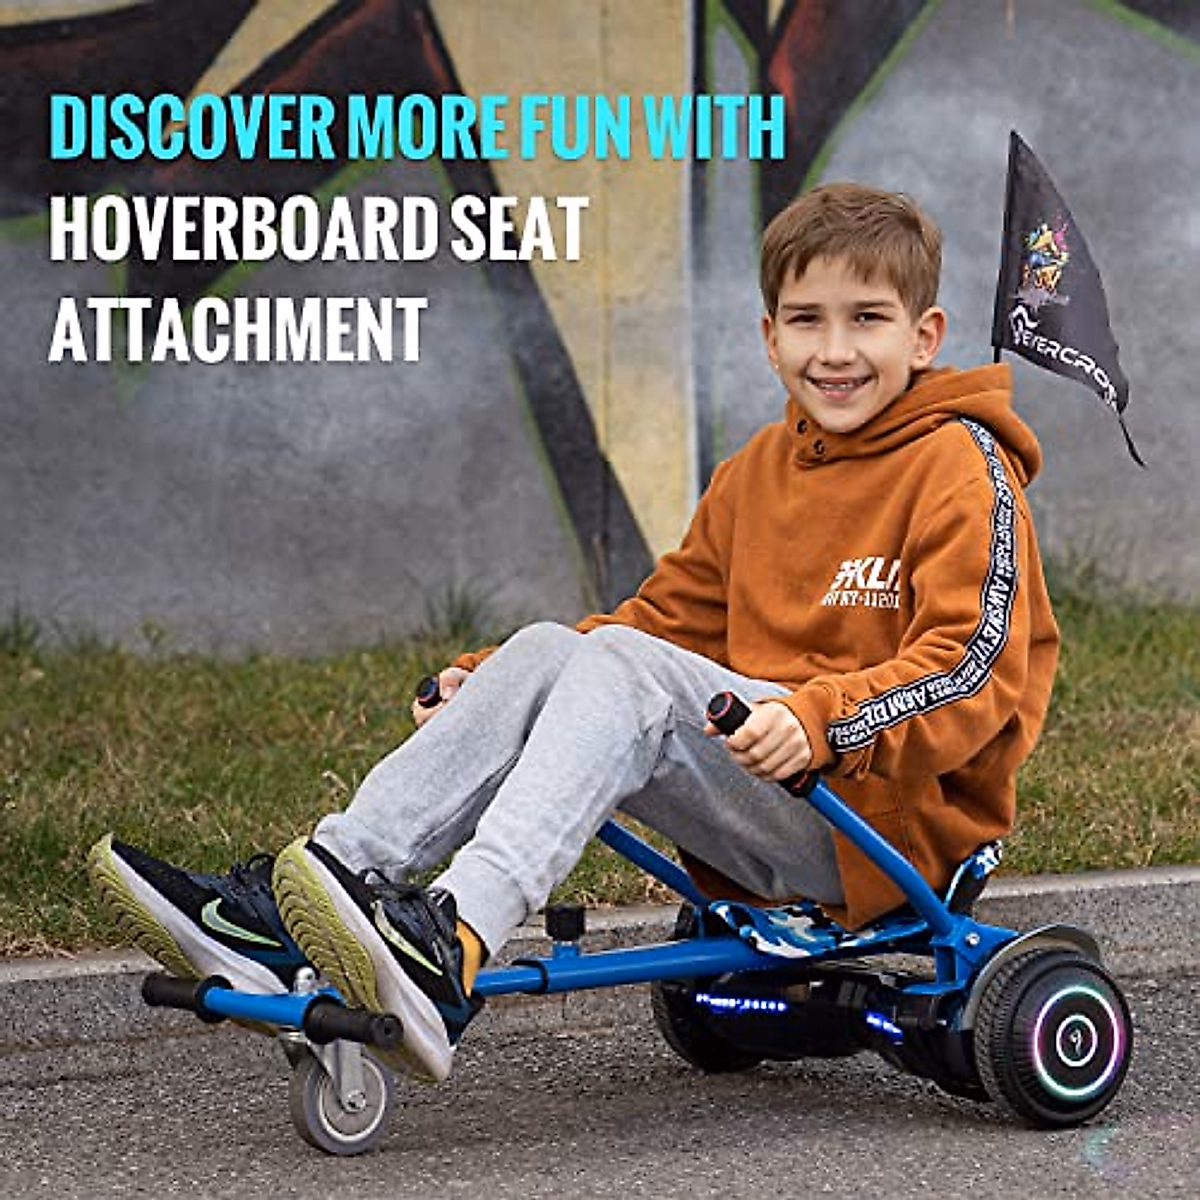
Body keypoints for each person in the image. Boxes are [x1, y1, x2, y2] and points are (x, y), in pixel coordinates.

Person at [89, 181, 1059, 1085]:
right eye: (806, 320)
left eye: (867, 320)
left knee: (625, 668)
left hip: (886, 826)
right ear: (770, 340)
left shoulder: (959, 465)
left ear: (924, 337)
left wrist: (821, 720)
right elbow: (657, 623)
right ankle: (316, 892)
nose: (834, 350)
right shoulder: (757, 472)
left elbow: (973, 673)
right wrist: (487, 678)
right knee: (561, 646)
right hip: (770, 790)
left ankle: (454, 940)